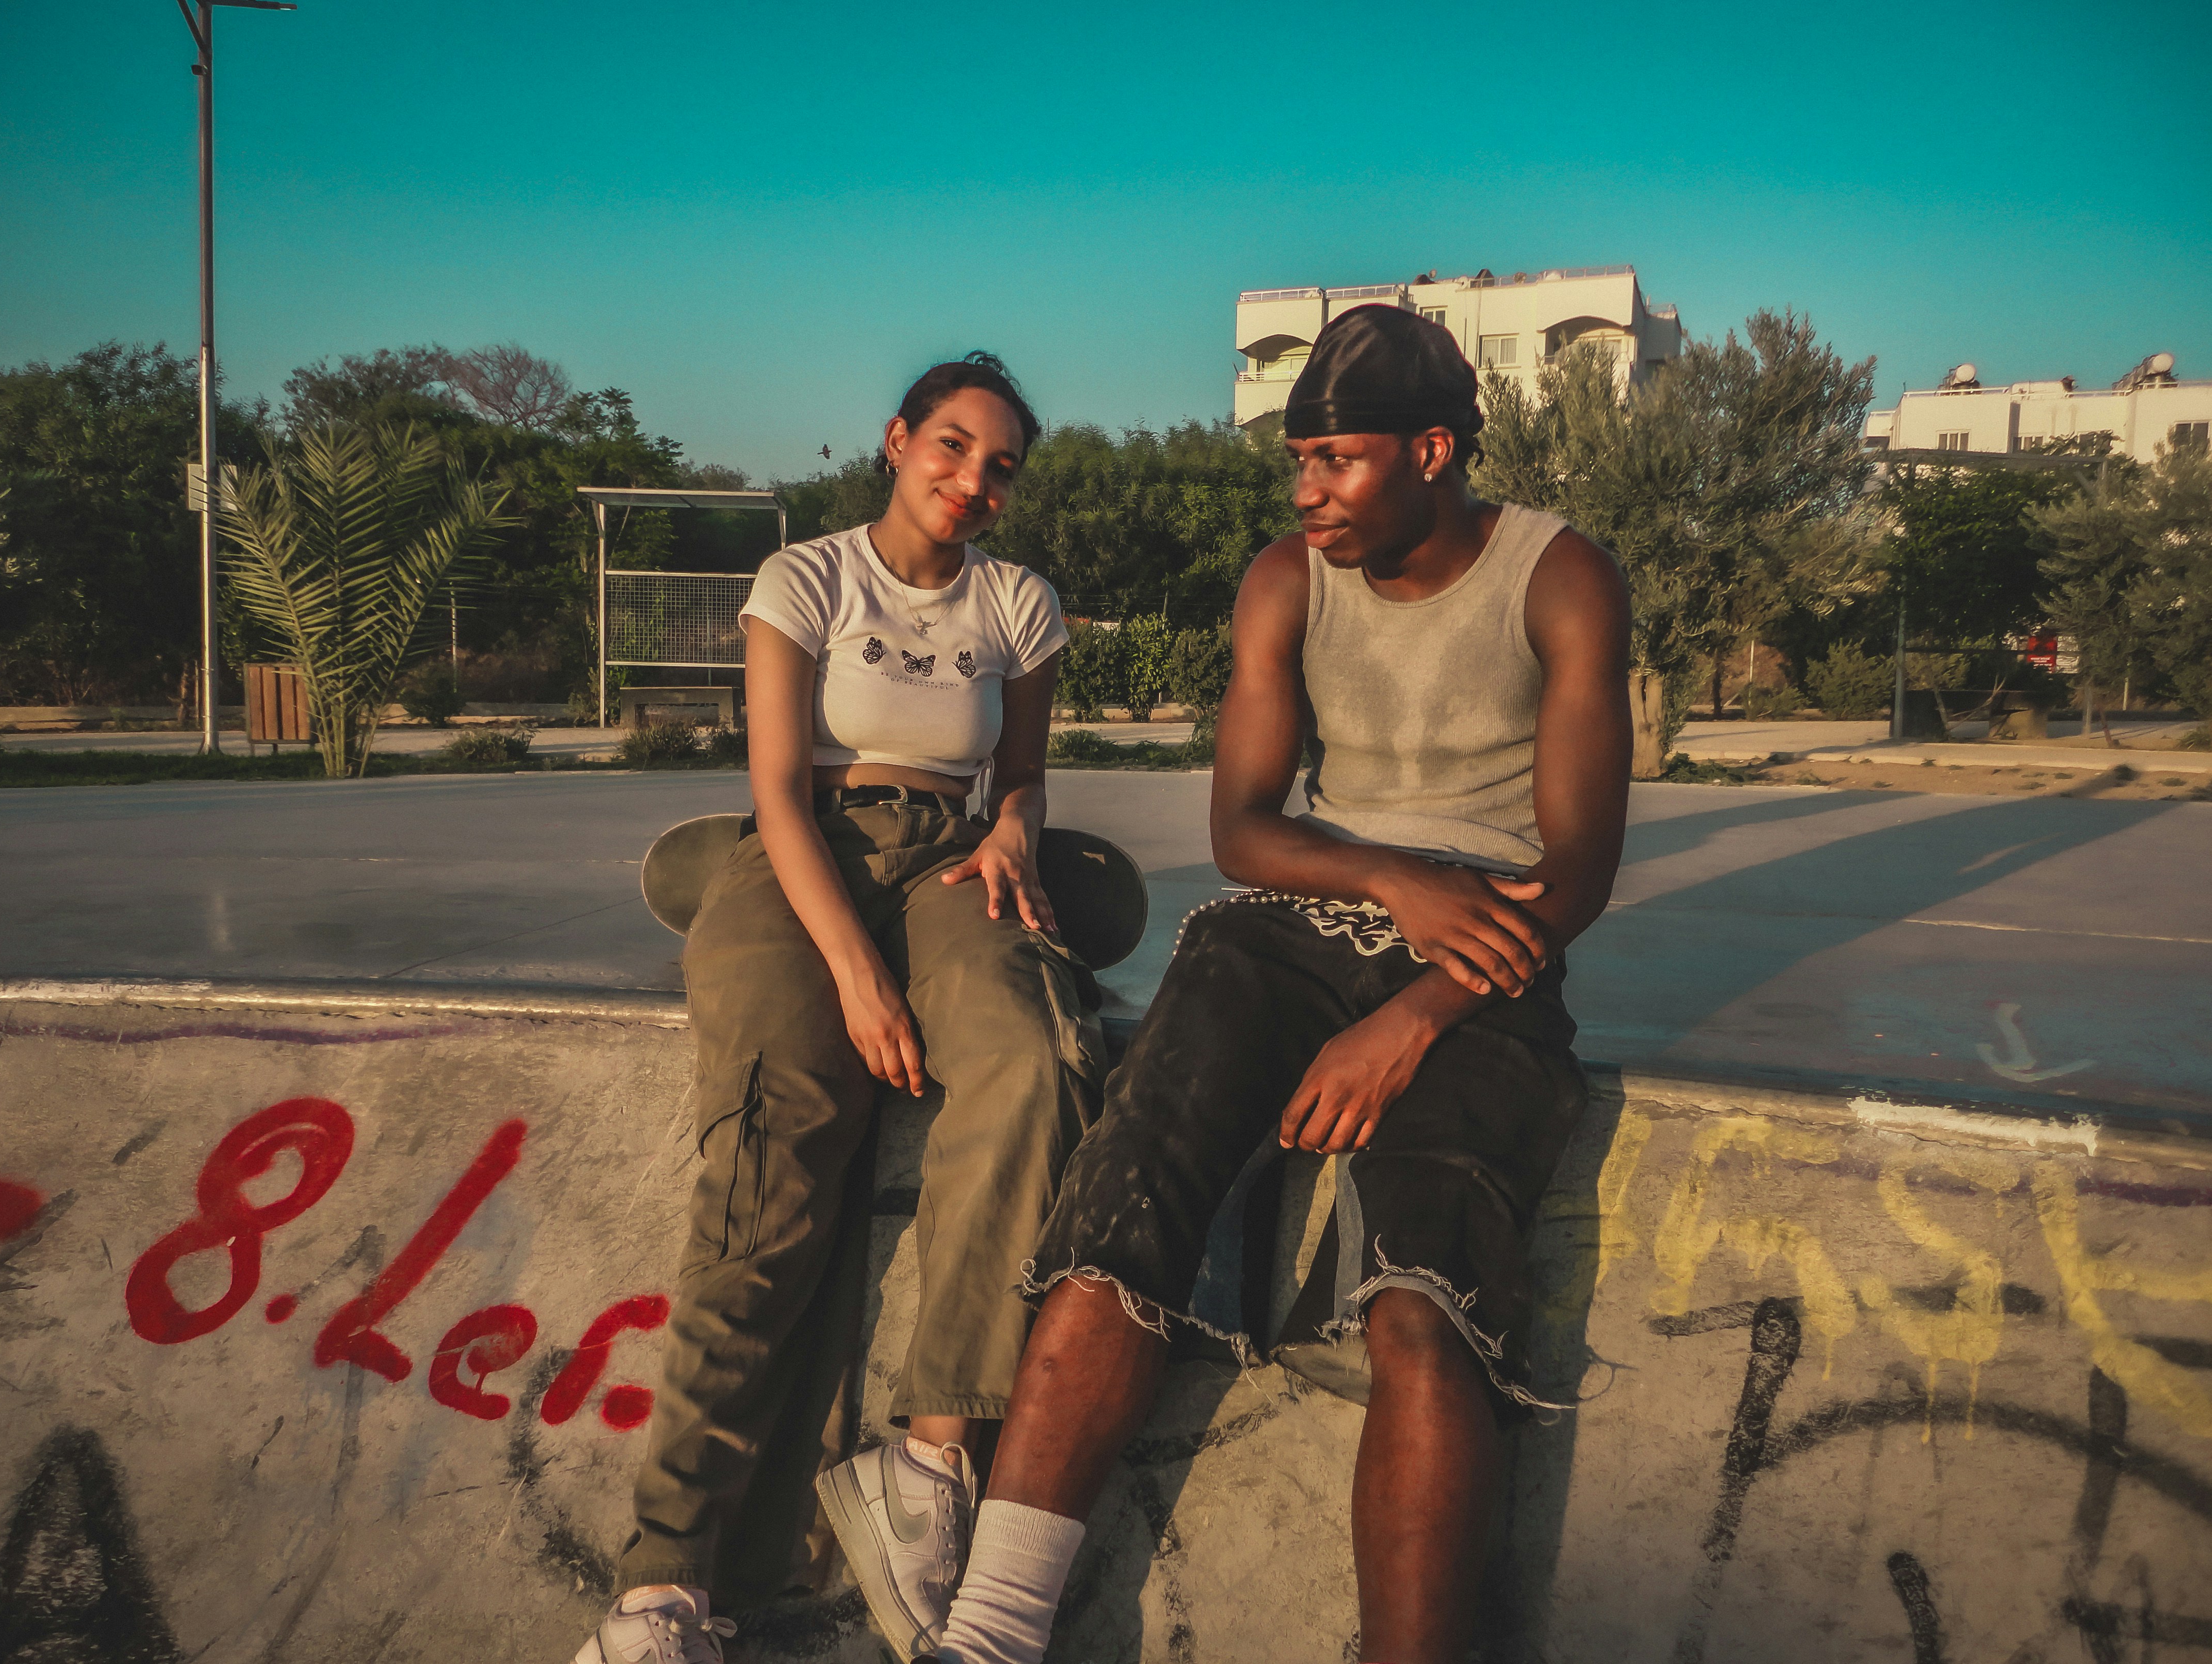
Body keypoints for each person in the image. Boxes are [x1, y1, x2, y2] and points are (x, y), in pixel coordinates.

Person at [923, 306, 1633, 1664]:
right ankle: (994, 1632)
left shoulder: (1559, 577)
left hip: (1490, 955)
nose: (1307, 491)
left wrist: (1413, 1013)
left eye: (1339, 461)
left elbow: (1577, 871)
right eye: (1298, 460)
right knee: (1121, 1213)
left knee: (1426, 1309)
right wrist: (1391, 884)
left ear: (1435, 450)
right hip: (1298, 917)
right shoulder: (1284, 580)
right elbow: (1245, 829)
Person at [576, 353, 1105, 1664]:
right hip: (804, 852)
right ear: (896, 440)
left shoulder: (1019, 602)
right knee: (771, 1162)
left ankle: (927, 1465)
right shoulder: (806, 578)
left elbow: (1024, 776)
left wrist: (1018, 836)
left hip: (955, 857)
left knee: (1036, 1061)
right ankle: (664, 1590)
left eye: (1001, 466)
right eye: (952, 446)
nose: (973, 480)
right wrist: (859, 980)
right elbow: (774, 785)